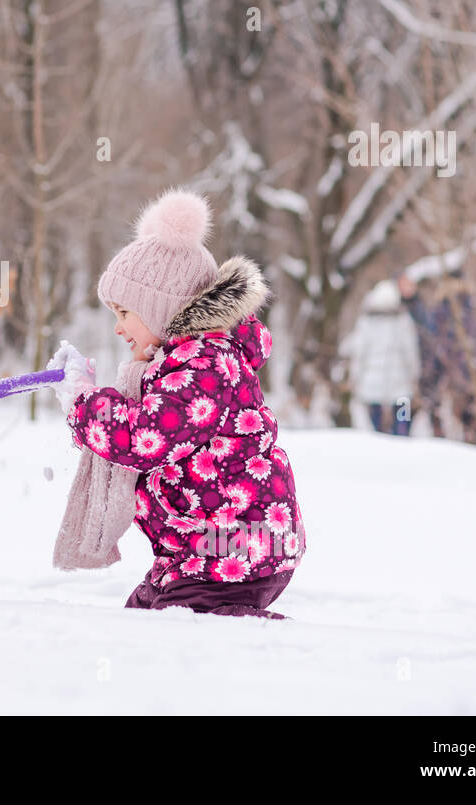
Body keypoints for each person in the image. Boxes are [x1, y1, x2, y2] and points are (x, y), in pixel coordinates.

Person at [48, 188, 304, 620]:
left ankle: (269, 649)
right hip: (198, 550)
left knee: (176, 633)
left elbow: (145, 438)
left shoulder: (205, 364)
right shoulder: (184, 361)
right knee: (139, 618)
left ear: (160, 308)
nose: (117, 328)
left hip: (232, 553)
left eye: (125, 313)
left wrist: (83, 404)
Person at [397, 271, 476, 445]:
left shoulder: (443, 308)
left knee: (438, 411)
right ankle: (469, 446)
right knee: (467, 416)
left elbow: (431, 335)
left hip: (447, 369)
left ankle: (439, 441)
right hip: (466, 369)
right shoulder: (473, 305)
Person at [340, 280, 419, 435]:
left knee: (375, 421)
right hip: (400, 380)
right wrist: (414, 375)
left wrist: (355, 377)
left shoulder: (366, 322)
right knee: (402, 415)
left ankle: (379, 439)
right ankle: (401, 438)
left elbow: (359, 353)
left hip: (372, 381)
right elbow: (411, 352)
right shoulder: (403, 320)